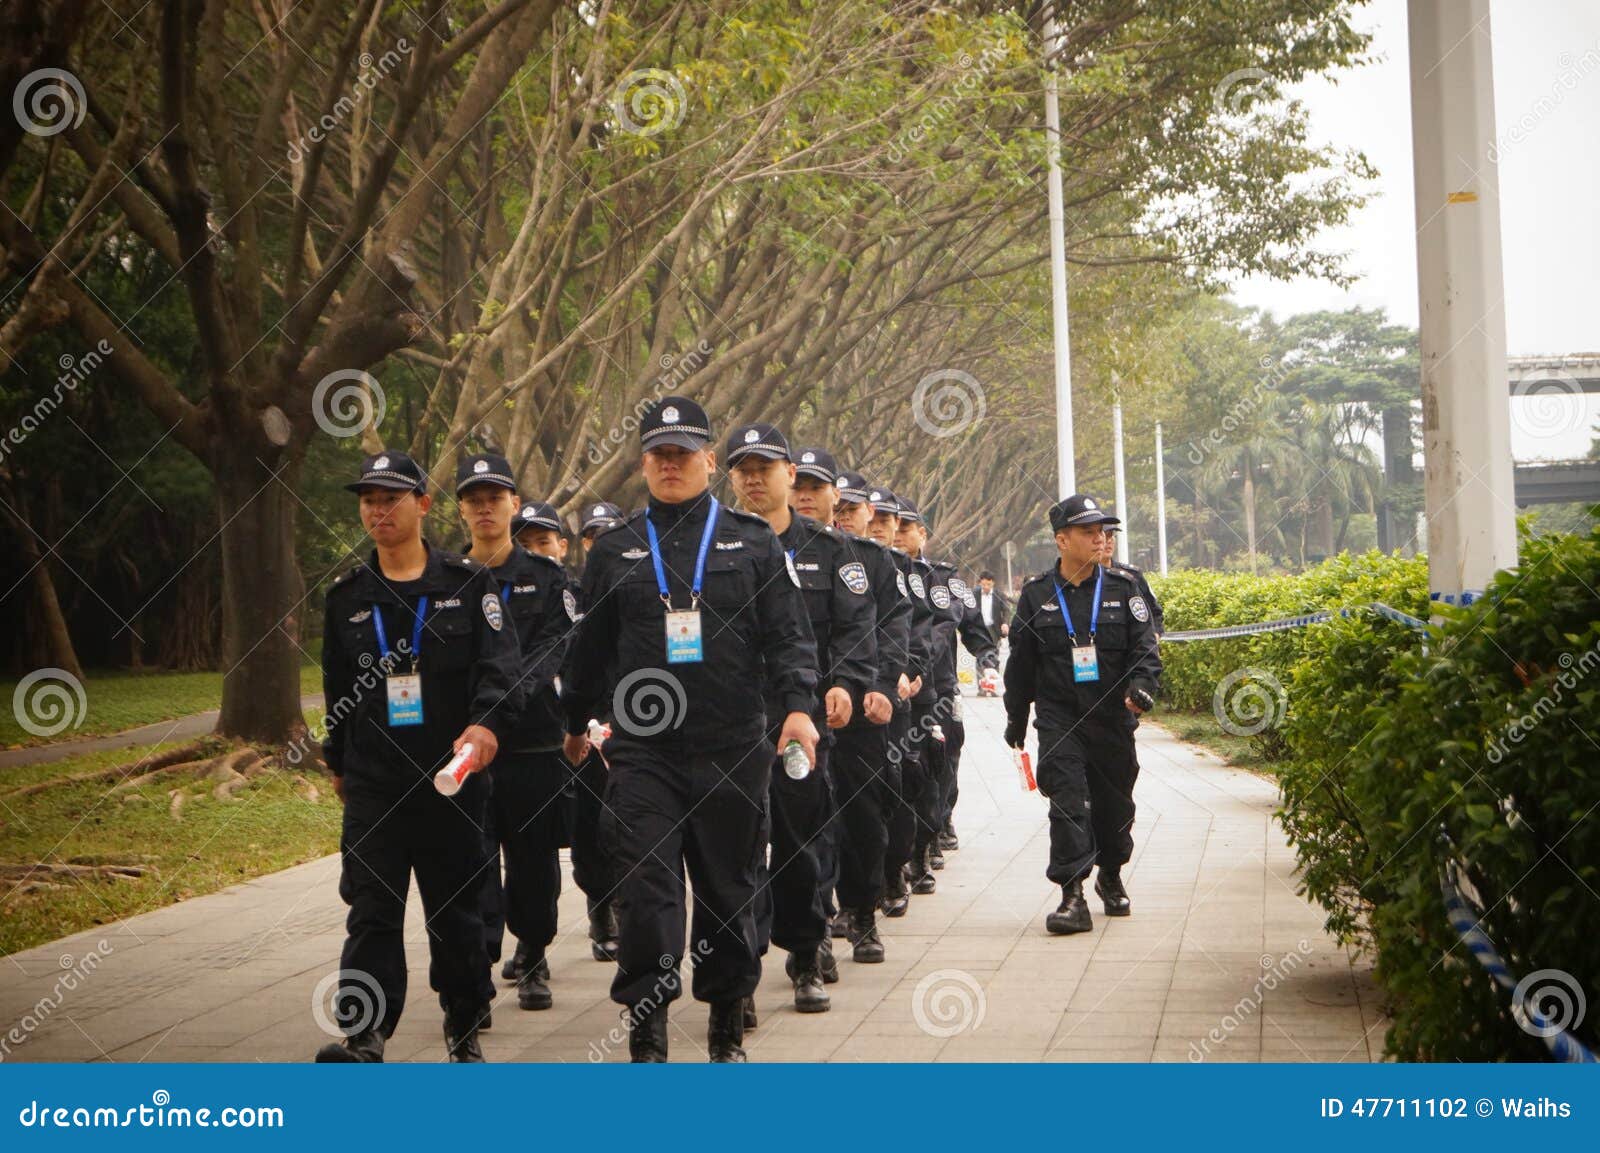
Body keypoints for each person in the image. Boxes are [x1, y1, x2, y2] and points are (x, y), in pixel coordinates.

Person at [560, 397, 820, 1063]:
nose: (670, 464)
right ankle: (647, 1033)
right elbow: (588, 654)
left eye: (683, 453)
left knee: (730, 889)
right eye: (658, 454)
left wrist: (797, 707)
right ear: (643, 463)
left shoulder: (754, 542)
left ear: (709, 460)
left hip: (733, 746)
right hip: (644, 754)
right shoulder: (615, 550)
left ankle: (727, 1026)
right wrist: (573, 725)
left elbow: (788, 637)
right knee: (647, 891)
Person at [315, 451, 523, 1064]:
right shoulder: (348, 597)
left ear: (423, 506)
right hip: (376, 783)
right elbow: (335, 690)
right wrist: (337, 763)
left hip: (450, 782)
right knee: (372, 912)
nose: (378, 510)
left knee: (456, 915)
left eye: (391, 498)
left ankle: (463, 1027)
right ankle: (365, 1035)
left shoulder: (467, 585)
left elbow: (500, 671)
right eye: (368, 500)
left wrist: (485, 729)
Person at [726, 427, 876, 1014]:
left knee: (798, 838)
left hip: (802, 719)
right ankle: (737, 969)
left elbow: (853, 625)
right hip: (731, 720)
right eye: (744, 469)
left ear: (789, 474)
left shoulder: (832, 550)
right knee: (733, 846)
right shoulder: (718, 547)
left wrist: (844, 683)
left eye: (766, 467)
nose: (755, 478)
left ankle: (806, 953)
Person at [1002, 494, 1160, 935]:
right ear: (1061, 539)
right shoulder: (1036, 595)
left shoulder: (1124, 589)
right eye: (1089, 531)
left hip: (1111, 718)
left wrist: (1142, 687)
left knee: (1114, 807)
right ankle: (1072, 895)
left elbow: (1145, 650)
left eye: (1103, 531)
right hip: (1060, 718)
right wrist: (1016, 719)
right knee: (1069, 802)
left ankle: (1110, 872)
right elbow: (1022, 665)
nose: (1100, 538)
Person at [456, 459, 574, 1014]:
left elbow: (551, 651)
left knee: (532, 859)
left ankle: (533, 950)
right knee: (472, 858)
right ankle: (475, 967)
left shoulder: (549, 579)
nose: (484, 507)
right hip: (468, 749)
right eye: (473, 499)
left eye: (494, 497)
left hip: (532, 743)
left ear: (512, 503)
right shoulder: (444, 579)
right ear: (461, 508)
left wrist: (498, 712)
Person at [793, 455, 910, 965]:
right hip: (791, 711)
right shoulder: (758, 550)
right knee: (803, 818)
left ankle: (862, 911)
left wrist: (882, 684)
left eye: (815, 487)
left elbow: (889, 625)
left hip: (857, 707)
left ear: (834, 496)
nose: (804, 495)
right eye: (796, 484)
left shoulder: (864, 559)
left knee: (860, 815)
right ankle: (812, 924)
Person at [894, 501, 997, 870]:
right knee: (907, 766)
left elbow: (972, 627)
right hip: (894, 688)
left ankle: (937, 821)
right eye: (893, 526)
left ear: (922, 533)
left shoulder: (945, 578)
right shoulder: (878, 571)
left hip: (939, 689)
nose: (898, 534)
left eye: (906, 528)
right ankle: (915, 836)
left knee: (944, 757)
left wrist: (987, 660)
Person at [563, 499, 626, 964]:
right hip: (582, 728)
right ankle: (600, 906)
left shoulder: (641, 587)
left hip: (633, 726)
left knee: (627, 822)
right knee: (589, 824)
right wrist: (578, 722)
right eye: (593, 536)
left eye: (610, 533)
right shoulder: (570, 593)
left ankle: (626, 906)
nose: (600, 542)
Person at [976, 571, 1010, 649]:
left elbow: (1006, 610)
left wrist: (1005, 623)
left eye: (989, 584)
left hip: (993, 629)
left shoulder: (999, 594)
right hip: (979, 629)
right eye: (983, 584)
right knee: (980, 654)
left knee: (993, 653)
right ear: (980, 583)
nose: (986, 587)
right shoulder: (974, 594)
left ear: (993, 583)